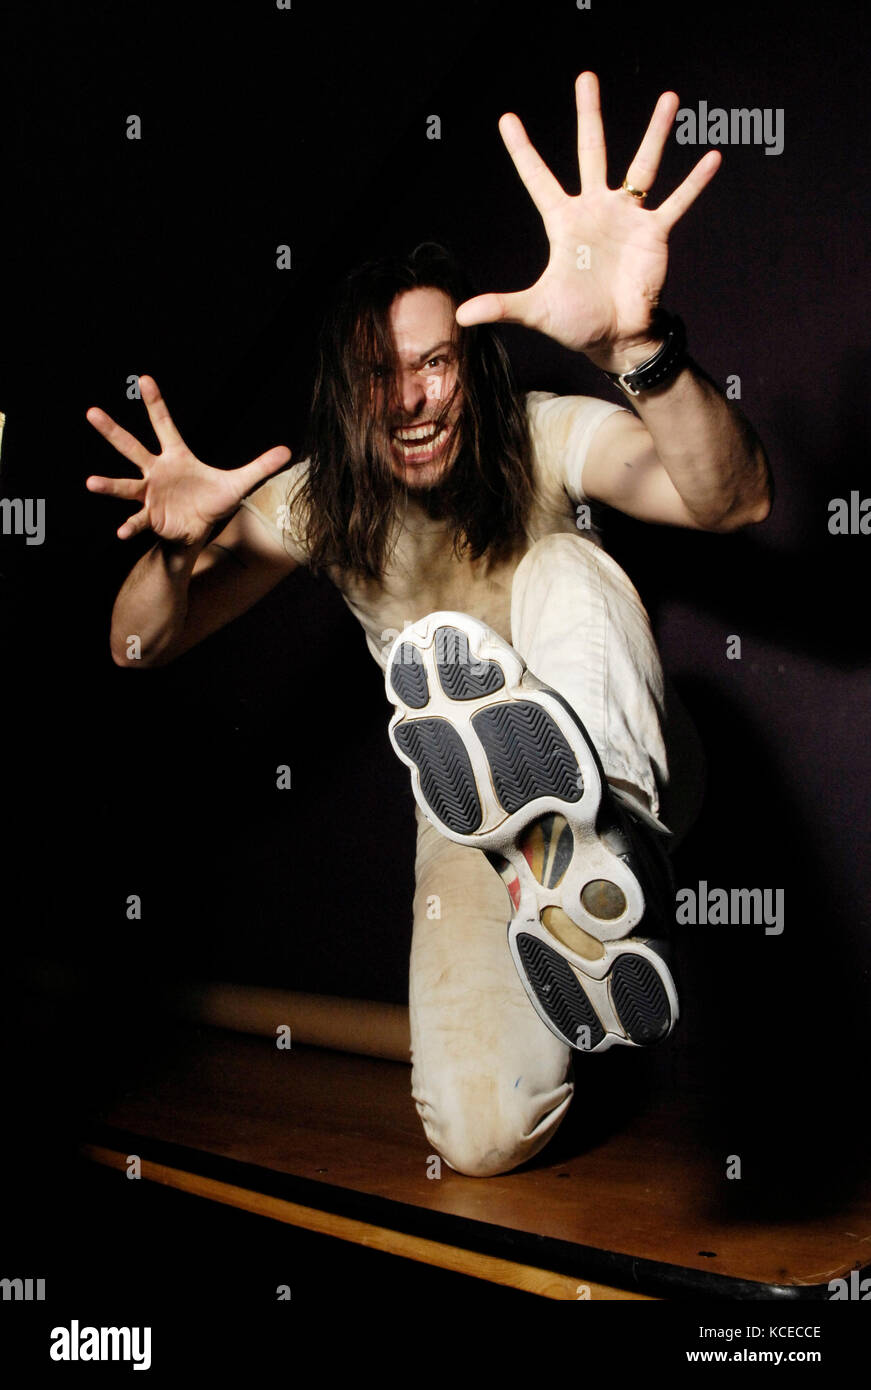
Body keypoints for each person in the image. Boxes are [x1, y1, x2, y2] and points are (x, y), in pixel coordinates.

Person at [85, 73, 771, 1177]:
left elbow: (732, 499)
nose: (410, 398)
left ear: (471, 366)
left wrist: (640, 346)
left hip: (634, 764)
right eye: (379, 376)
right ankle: (558, 889)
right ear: (350, 397)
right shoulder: (321, 502)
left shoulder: (543, 434)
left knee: (559, 560)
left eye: (434, 362)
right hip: (476, 831)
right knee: (479, 1137)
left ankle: (603, 846)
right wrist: (174, 557)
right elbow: (135, 645)